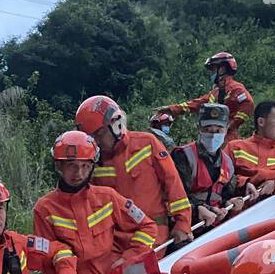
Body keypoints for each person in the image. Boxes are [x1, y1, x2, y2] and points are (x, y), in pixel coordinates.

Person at [34, 130, 216, 274]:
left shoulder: (107, 197)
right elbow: (48, 261)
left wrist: (128, 257)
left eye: (85, 166)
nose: (78, 173)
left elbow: (147, 226)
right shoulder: (45, 209)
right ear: (58, 166)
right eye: (71, 166)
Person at [76, 95, 193, 248]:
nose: (96, 142)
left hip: (156, 235)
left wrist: (183, 223)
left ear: (115, 124)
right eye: (91, 138)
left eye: (99, 134)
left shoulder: (146, 143)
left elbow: (173, 185)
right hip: (117, 242)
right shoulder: (93, 163)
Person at [172, 103, 249, 229]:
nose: (213, 135)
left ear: (226, 130)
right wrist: (198, 210)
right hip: (187, 227)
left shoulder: (228, 163)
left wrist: (229, 203)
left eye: (218, 130)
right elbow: (174, 196)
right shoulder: (184, 156)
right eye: (207, 129)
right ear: (199, 129)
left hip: (216, 227)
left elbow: (225, 194)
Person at [160, 51, 255, 138]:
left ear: (222, 69)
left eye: (214, 70)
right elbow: (195, 104)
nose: (212, 74)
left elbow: (248, 103)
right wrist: (172, 109)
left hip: (228, 139)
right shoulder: (215, 92)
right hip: (211, 135)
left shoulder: (236, 88)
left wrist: (232, 124)